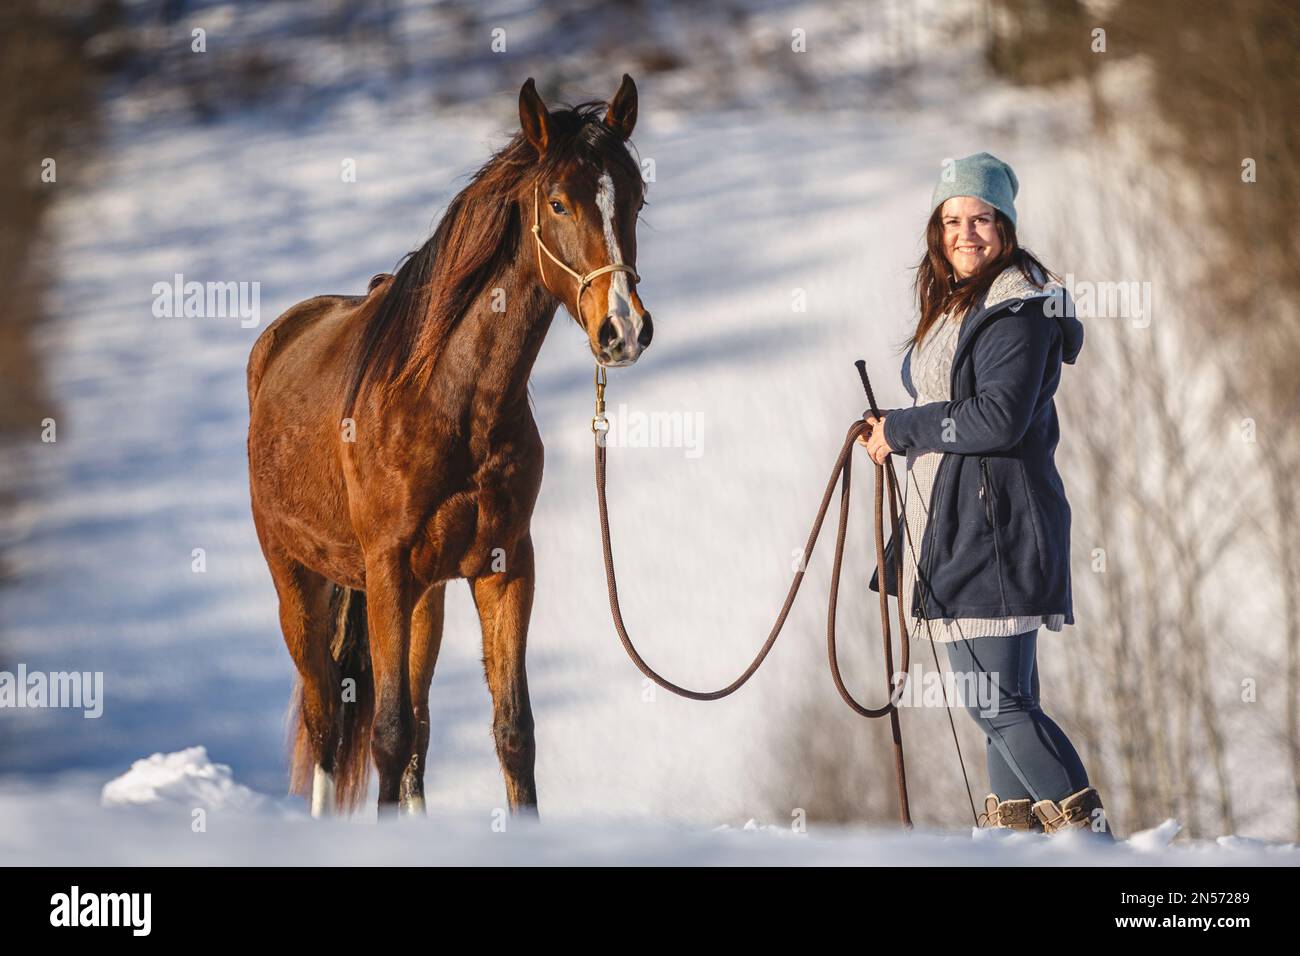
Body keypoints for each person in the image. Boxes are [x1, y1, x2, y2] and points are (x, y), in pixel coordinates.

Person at [862, 152, 1114, 840]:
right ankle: (1013, 841)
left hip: (993, 532)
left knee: (995, 704)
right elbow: (956, 405)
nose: (963, 232)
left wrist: (905, 429)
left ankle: (1092, 847)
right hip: (963, 526)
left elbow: (996, 419)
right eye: (950, 219)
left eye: (979, 217)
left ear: (1004, 223)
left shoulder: (1017, 310)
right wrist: (895, 430)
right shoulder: (959, 302)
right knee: (1004, 703)